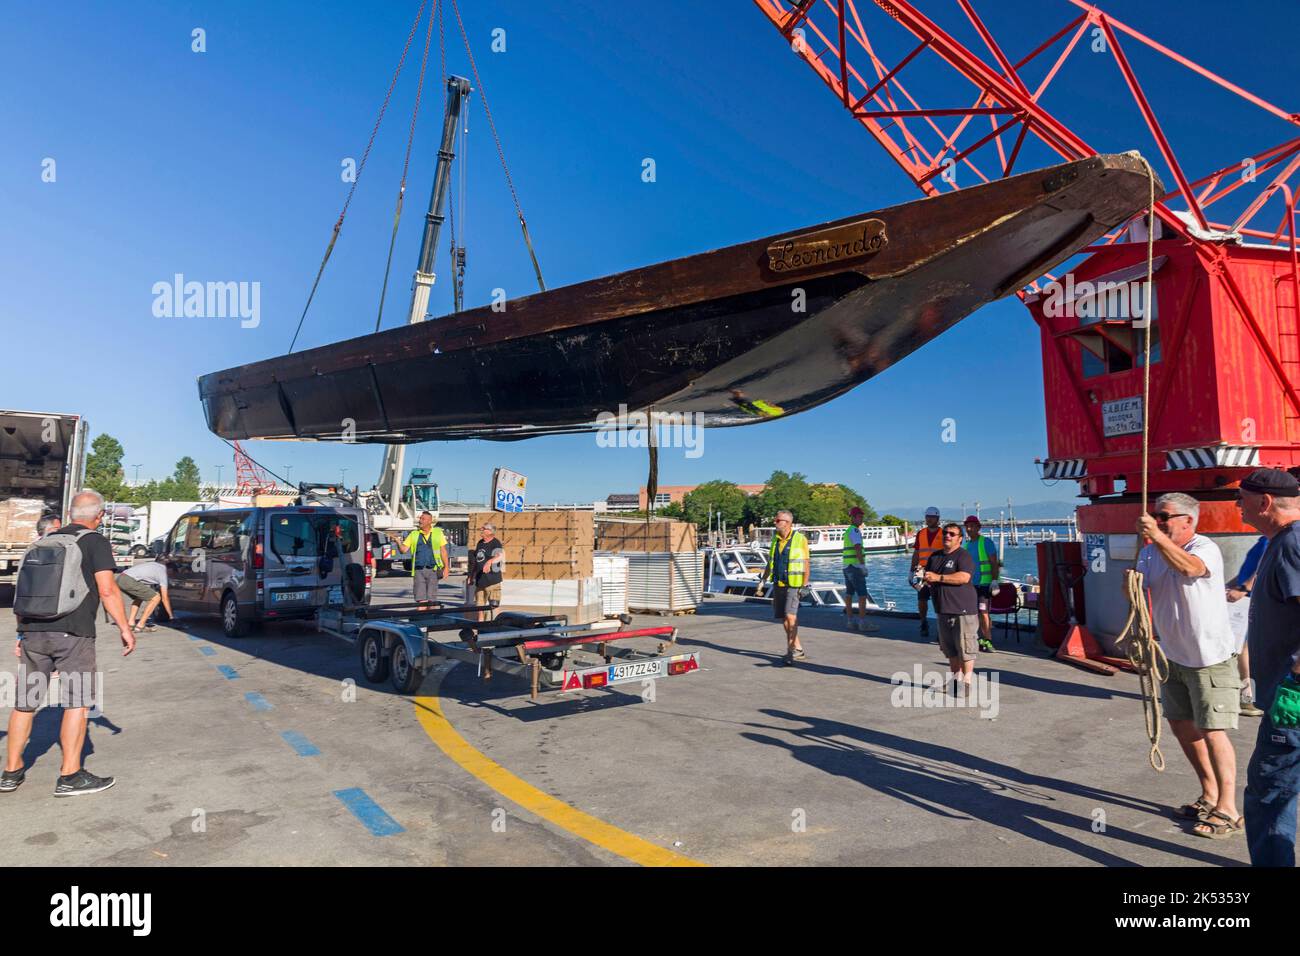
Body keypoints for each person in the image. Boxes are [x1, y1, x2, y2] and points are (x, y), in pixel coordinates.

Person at [2, 490, 135, 797]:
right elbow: (107, 590)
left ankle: (10, 772)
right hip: (72, 634)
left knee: (25, 703)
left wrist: (21, 633)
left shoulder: (44, 541)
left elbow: (24, 590)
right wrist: (125, 628)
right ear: (99, 516)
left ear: (71, 513)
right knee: (77, 702)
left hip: (33, 631)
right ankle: (70, 775)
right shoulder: (95, 541)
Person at [1130, 492, 1240, 839]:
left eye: (1164, 516)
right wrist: (1130, 582)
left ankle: (1229, 808)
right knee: (1182, 726)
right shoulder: (1149, 552)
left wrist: (1157, 537)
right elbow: (1137, 589)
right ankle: (1209, 794)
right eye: (1155, 516)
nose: (1157, 521)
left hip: (1208, 658)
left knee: (1212, 729)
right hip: (1172, 656)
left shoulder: (1203, 548)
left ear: (1187, 521)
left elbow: (1190, 569)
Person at [1235, 467, 1300, 866]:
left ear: (1265, 502)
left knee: (1270, 793)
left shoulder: (1292, 544)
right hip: (1284, 694)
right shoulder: (1279, 542)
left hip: (1291, 700)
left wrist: (1295, 681)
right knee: (1277, 789)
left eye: (1241, 498)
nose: (1236, 504)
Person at [923, 523, 979, 693]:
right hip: (942, 609)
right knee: (950, 649)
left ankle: (966, 683)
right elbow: (929, 577)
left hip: (963, 609)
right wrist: (922, 579)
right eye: (945, 533)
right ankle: (955, 681)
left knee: (966, 648)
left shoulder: (963, 556)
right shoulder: (935, 557)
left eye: (952, 534)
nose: (947, 536)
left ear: (960, 539)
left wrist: (938, 577)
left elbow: (964, 577)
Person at [756, 510, 810, 665]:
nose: (775, 522)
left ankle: (790, 651)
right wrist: (763, 580)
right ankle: (797, 648)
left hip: (794, 584)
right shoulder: (775, 540)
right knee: (784, 618)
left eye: (778, 520)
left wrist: (805, 584)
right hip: (778, 584)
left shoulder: (800, 539)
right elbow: (770, 562)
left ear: (788, 523)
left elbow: (806, 563)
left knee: (791, 616)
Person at [1226, 535, 1268, 717]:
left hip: (1249, 599)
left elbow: (1262, 567)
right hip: (1245, 597)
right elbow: (1249, 569)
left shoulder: (1271, 540)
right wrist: (1232, 584)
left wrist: (1244, 589)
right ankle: (1247, 695)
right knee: (1242, 648)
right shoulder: (1264, 539)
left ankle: (1248, 696)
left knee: (1244, 648)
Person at [388, 511, 448, 611]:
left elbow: (443, 551)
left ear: (429, 521)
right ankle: (421, 622)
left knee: (431, 601)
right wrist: (398, 541)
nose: (420, 520)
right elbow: (403, 550)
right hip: (418, 570)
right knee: (421, 600)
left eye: (423, 519)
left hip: (433, 569)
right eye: (420, 518)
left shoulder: (438, 533)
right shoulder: (414, 534)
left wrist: (446, 567)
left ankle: (430, 622)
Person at [962, 515, 1001, 654]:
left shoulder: (986, 542)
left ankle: (988, 639)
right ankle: (978, 638)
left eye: (972, 526)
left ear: (978, 527)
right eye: (967, 526)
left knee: (983, 612)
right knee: (973, 614)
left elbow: (994, 564)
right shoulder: (966, 545)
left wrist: (995, 581)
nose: (969, 528)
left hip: (984, 585)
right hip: (971, 586)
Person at [841, 507, 878, 633]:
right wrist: (862, 565)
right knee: (862, 595)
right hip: (855, 567)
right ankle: (862, 622)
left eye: (861, 517)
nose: (861, 519)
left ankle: (850, 621)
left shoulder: (848, 531)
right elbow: (857, 548)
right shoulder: (855, 531)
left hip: (846, 566)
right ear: (853, 517)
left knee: (849, 594)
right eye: (859, 517)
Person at [910, 507, 943, 637]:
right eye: (927, 517)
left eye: (932, 517)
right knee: (922, 599)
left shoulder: (944, 533)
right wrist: (911, 570)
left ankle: (941, 628)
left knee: (939, 601)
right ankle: (923, 622)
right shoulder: (921, 533)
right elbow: (916, 552)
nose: (929, 519)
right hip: (922, 571)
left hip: (938, 571)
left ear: (938, 519)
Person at [115, 559, 173, 631]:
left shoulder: (156, 565)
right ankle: (141, 625)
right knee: (156, 598)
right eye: (172, 573)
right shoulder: (163, 574)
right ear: (170, 569)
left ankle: (131, 623)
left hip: (120, 578)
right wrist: (171, 616)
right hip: (128, 580)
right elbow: (165, 598)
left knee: (139, 597)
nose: (171, 575)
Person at [468, 522, 504, 622]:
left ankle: (495, 627)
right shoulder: (480, 543)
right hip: (480, 581)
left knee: (494, 606)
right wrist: (471, 576)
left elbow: (499, 556)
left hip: (493, 581)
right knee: (480, 607)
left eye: (483, 528)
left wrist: (489, 562)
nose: (481, 530)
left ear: (490, 532)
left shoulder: (496, 543)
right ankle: (480, 628)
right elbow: (476, 561)